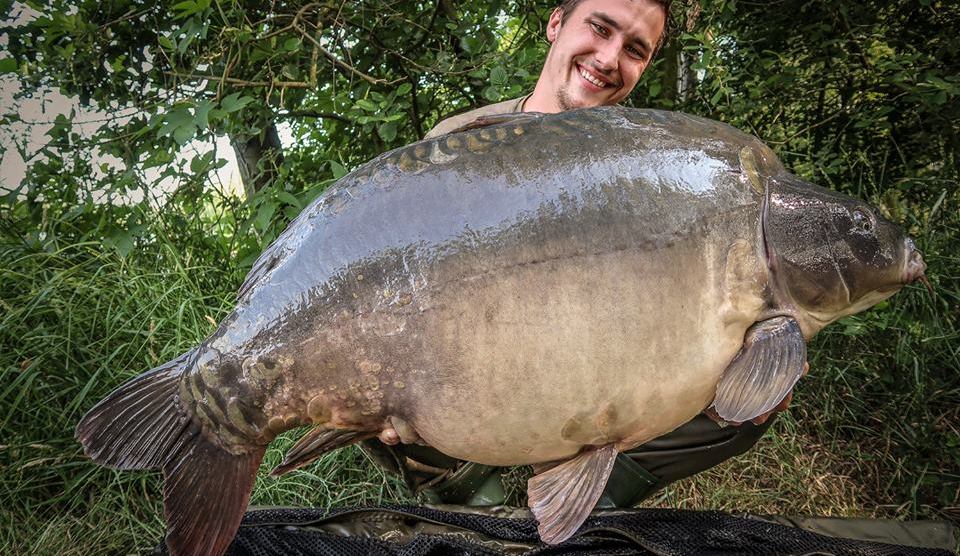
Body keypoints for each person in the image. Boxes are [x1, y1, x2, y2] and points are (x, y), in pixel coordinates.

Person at [363, 0, 804, 508]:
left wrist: (739, 369)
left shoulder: (648, 161)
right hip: (479, 362)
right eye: (600, 28)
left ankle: (585, 504)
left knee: (755, 389)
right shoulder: (456, 145)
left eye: (635, 50)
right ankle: (468, 501)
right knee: (365, 351)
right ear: (556, 23)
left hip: (594, 365)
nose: (609, 58)